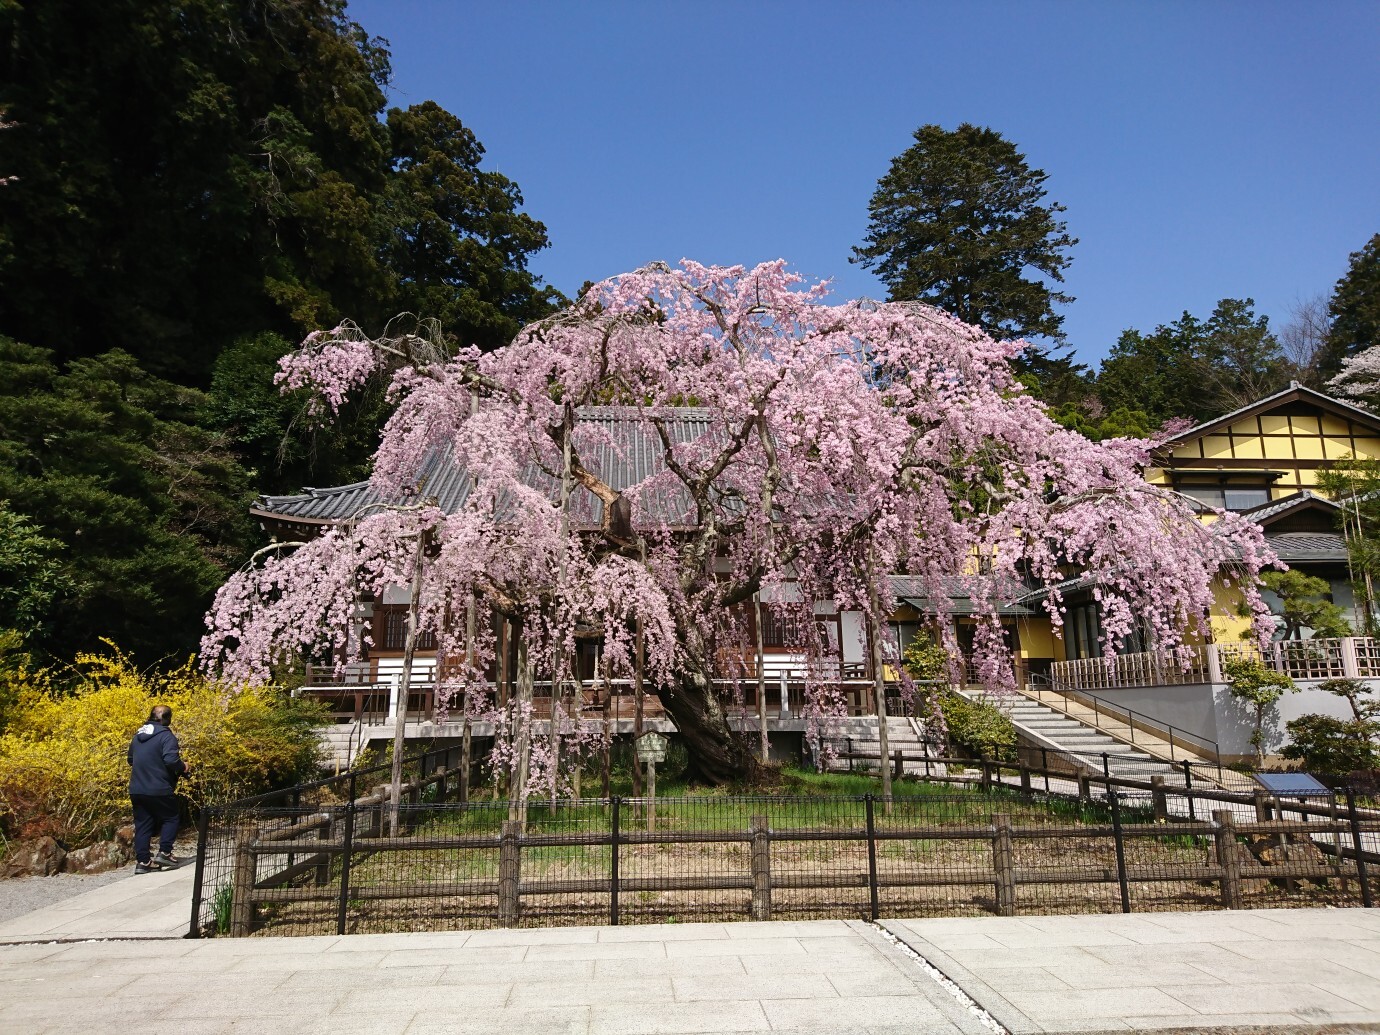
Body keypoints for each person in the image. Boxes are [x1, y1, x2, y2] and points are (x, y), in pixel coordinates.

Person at [127, 704, 191, 874]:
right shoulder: (166, 737)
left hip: (137, 788)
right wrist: (183, 766)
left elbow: (131, 760)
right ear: (167, 719)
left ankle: (143, 862)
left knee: (143, 824)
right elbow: (170, 760)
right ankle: (165, 852)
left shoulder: (137, 736)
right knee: (171, 817)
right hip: (158, 787)